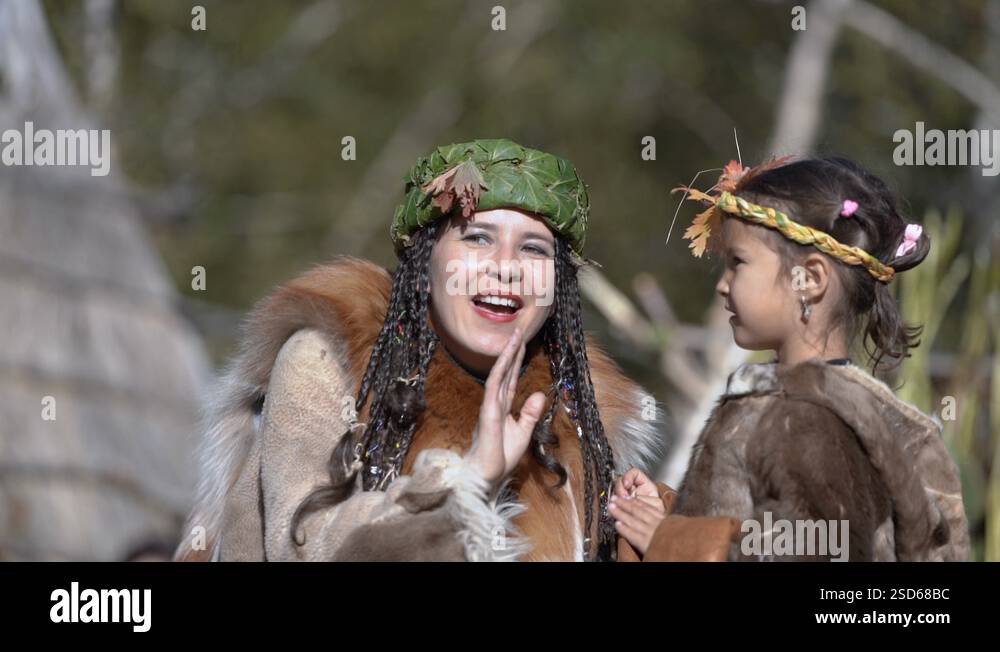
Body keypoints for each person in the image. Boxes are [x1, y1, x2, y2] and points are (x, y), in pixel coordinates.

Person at [173, 138, 666, 561]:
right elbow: (300, 547)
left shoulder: (584, 412)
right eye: (478, 238)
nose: (506, 266)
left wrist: (653, 534)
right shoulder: (332, 358)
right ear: (424, 260)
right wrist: (464, 487)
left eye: (534, 249)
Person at [612, 156, 969, 561]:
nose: (723, 286)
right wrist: (666, 514)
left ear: (810, 279)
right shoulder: (856, 413)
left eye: (737, 263)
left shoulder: (806, 419)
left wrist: (672, 541)